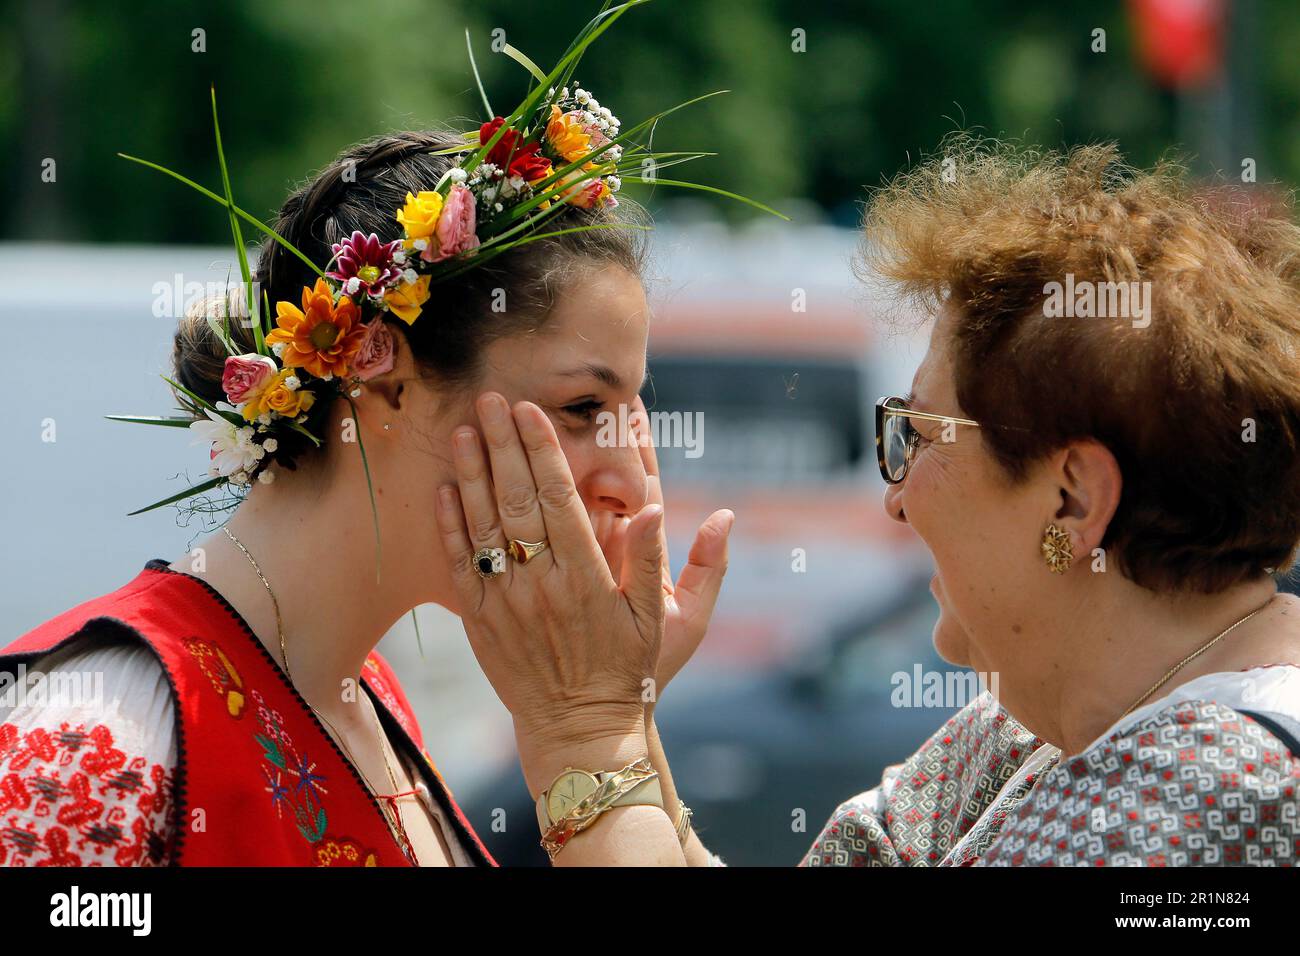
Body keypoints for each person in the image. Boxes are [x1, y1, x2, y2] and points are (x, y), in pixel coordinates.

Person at [0, 20, 749, 865]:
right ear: (382, 377)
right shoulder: (102, 746)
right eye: (582, 408)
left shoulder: (367, 703)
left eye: (631, 414)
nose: (627, 481)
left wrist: (622, 716)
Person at [435, 137, 1300, 866]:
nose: (896, 501)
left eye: (917, 433)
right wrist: (620, 710)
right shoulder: (1038, 726)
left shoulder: (1213, 782)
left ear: (1074, 501)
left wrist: (582, 730)